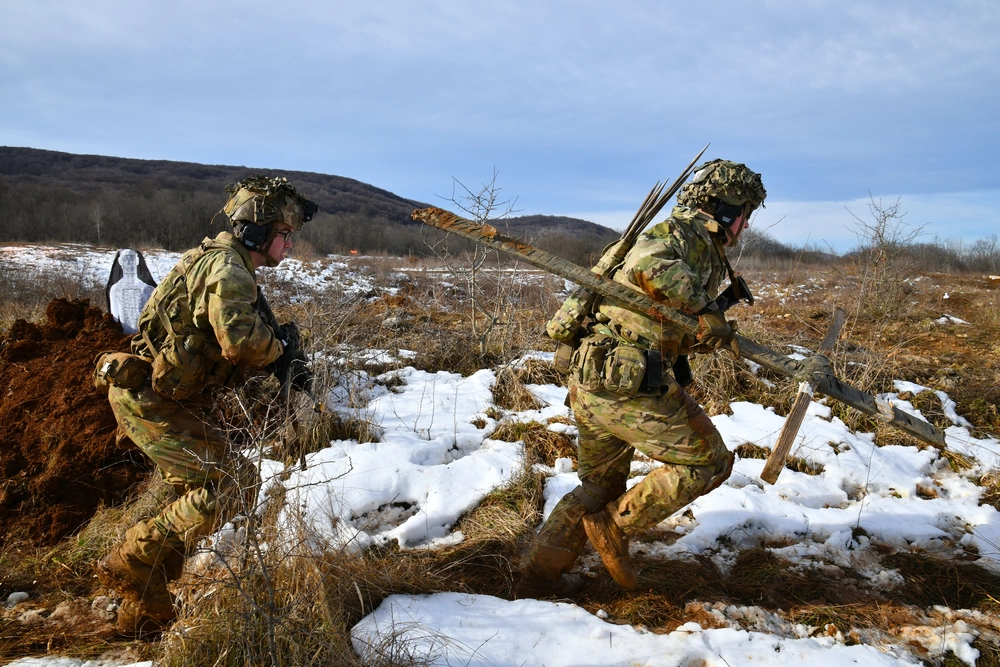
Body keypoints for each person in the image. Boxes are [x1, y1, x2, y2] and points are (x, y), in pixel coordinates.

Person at [515, 159, 766, 598]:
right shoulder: (681, 233)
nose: (746, 224)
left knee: (599, 485)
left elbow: (661, 318)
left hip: (596, 379)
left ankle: (535, 582)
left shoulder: (700, 247)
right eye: (746, 212)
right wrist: (706, 310)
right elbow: (648, 267)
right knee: (710, 462)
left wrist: (710, 328)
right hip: (628, 382)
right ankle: (613, 526)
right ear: (726, 207)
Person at [96, 176, 317, 636]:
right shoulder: (228, 270)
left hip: (166, 396)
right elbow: (240, 341)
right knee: (232, 485)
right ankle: (134, 559)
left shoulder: (221, 260)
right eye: (284, 234)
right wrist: (280, 355)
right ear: (257, 232)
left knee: (209, 488)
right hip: (149, 400)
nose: (290, 244)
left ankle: (145, 603)